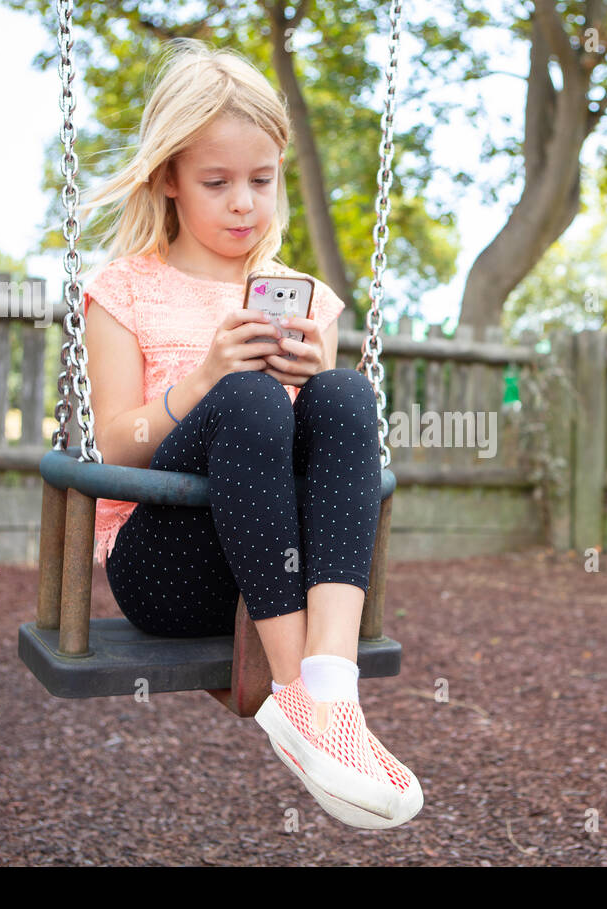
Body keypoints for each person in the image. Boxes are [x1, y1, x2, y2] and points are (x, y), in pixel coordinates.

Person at [75, 38, 422, 829]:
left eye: (261, 181)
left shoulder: (309, 303)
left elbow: (318, 461)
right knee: (245, 398)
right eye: (217, 182)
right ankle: (304, 701)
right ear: (168, 178)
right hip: (169, 569)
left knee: (341, 393)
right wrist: (203, 380)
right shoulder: (123, 291)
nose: (243, 203)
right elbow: (114, 446)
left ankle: (328, 691)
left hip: (277, 565)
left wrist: (301, 383)